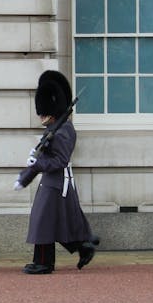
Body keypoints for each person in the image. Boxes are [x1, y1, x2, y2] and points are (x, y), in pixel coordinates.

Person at [14, 70, 99, 274]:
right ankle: (82, 246)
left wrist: (38, 162)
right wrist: (25, 177)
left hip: (58, 183)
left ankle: (44, 262)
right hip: (51, 182)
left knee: (44, 221)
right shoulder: (53, 129)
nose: (40, 116)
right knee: (55, 221)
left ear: (52, 111)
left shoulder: (63, 131)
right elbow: (44, 158)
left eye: (43, 112)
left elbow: (59, 161)